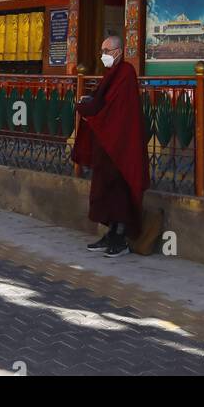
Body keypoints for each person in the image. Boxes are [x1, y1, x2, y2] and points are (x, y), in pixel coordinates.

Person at [72, 32, 149, 258]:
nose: (103, 55)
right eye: (102, 51)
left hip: (122, 146)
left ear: (118, 52)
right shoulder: (111, 73)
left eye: (106, 51)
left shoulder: (126, 72)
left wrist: (94, 114)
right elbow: (102, 100)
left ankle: (121, 239)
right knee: (104, 188)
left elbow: (118, 110)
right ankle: (110, 234)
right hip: (106, 143)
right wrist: (89, 105)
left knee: (120, 190)